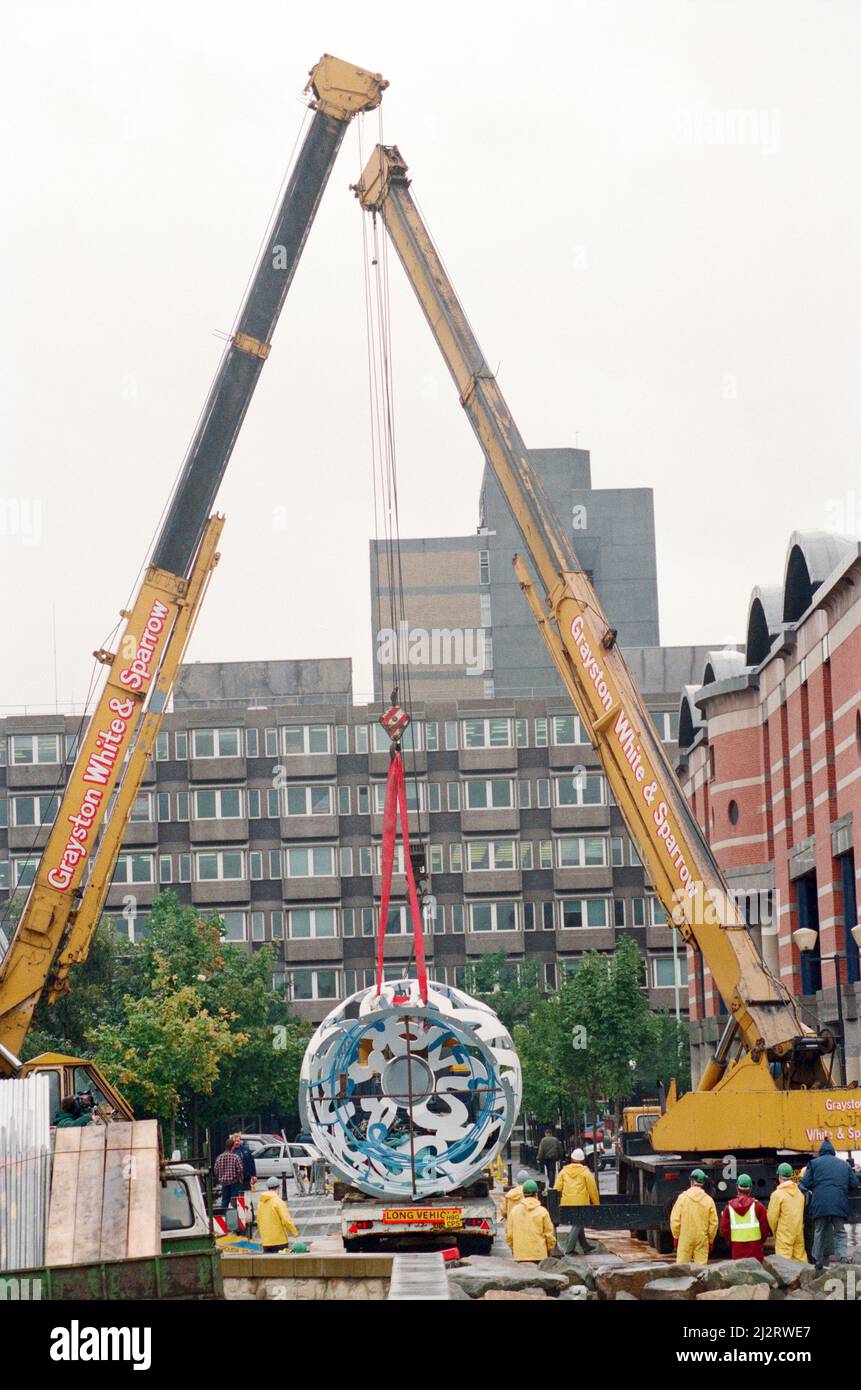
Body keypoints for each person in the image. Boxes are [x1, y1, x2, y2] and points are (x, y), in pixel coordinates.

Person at [799, 1138, 861, 1269]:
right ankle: (843, 1258)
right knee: (840, 1232)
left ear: (821, 1152)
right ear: (833, 1152)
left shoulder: (813, 1163)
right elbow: (855, 1184)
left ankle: (817, 1260)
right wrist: (843, 1191)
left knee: (819, 1231)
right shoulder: (844, 1164)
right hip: (838, 1203)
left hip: (819, 1204)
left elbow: (802, 1185)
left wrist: (811, 1192)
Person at [554, 1147, 600, 1255]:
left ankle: (585, 1246)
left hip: (566, 1204)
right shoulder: (585, 1172)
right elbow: (592, 1189)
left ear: (571, 1159)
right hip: (581, 1204)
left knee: (578, 1222)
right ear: (583, 1160)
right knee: (578, 1223)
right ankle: (569, 1249)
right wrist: (596, 1204)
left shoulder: (563, 1172)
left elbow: (557, 1188)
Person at [669, 1170, 718, 1265]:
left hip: (685, 1237)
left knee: (682, 1268)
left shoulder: (682, 1198)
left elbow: (675, 1220)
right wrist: (710, 1240)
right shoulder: (709, 1200)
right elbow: (714, 1223)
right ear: (703, 1183)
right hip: (702, 1238)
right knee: (701, 1270)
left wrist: (676, 1236)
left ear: (691, 1181)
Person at [719, 1174, 770, 1263]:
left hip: (737, 1248)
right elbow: (765, 1228)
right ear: (750, 1188)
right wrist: (760, 1242)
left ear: (737, 1188)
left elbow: (724, 1229)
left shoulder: (729, 1207)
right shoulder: (758, 1206)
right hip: (755, 1248)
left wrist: (731, 1242)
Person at [506, 1180, 556, 1263]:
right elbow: (549, 1235)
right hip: (539, 1255)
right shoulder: (542, 1211)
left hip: (520, 1255)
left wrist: (515, 1248)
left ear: (523, 1194)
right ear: (536, 1194)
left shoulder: (514, 1211)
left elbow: (509, 1235)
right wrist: (549, 1249)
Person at [767, 1163, 807, 1262]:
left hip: (784, 1232)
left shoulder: (777, 1195)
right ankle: (804, 1277)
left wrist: (775, 1232)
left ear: (779, 1176)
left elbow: (772, 1218)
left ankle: (789, 1278)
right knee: (799, 1257)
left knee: (784, 1262)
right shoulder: (799, 1193)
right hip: (798, 1231)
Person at [256, 1176, 299, 1253]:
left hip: (266, 1242)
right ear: (279, 1188)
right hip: (280, 1241)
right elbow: (286, 1220)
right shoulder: (278, 1202)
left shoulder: (260, 1203)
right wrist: (294, 1233)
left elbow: (259, 1220)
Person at [214, 1138, 244, 1211]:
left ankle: (223, 1215)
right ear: (233, 1146)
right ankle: (235, 1216)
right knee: (234, 1201)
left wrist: (219, 1178)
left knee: (225, 1200)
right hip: (234, 1182)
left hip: (224, 1183)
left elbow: (216, 1169)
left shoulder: (219, 1157)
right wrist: (240, 1178)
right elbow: (240, 1169)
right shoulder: (235, 1157)